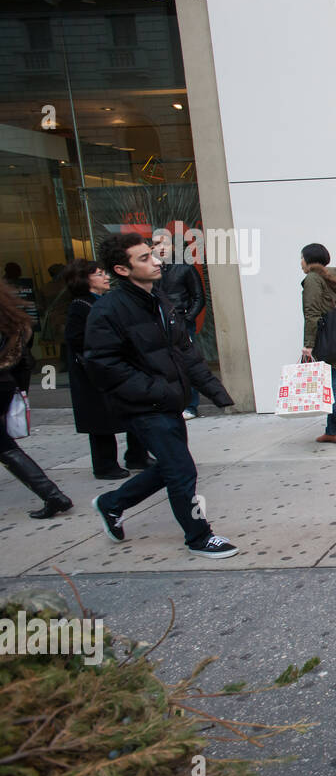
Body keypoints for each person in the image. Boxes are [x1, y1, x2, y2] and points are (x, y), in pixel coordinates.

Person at [85, 232, 239, 558]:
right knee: (182, 470)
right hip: (146, 406)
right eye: (144, 258)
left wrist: (215, 392)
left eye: (153, 255)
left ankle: (112, 503)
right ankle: (199, 537)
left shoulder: (161, 300)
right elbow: (103, 366)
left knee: (171, 467)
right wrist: (157, 391)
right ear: (122, 269)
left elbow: (185, 352)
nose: (156, 261)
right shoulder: (109, 310)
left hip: (168, 401)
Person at [63, 258, 153, 478]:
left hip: (113, 368)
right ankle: (105, 466)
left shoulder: (103, 301)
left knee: (133, 410)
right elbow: (76, 340)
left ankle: (137, 456)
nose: (105, 277)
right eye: (98, 274)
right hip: (94, 374)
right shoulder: (80, 306)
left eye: (104, 272)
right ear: (85, 280)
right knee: (100, 422)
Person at [0, 280, 73, 519]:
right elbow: (24, 360)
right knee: (5, 446)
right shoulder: (12, 319)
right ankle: (53, 496)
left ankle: (53, 495)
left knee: (5, 447)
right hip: (5, 384)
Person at [299, 245, 336, 444]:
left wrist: (308, 344)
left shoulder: (313, 280)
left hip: (326, 340)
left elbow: (312, 313)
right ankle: (332, 430)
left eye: (302, 258)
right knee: (331, 384)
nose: (300, 262)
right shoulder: (333, 277)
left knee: (326, 385)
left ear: (309, 260)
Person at [153, 226, 206, 420]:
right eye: (156, 243)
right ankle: (176, 403)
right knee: (166, 364)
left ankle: (191, 406)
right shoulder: (153, 270)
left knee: (187, 362)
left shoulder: (185, 267)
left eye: (164, 242)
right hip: (160, 324)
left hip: (182, 323)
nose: (160, 247)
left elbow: (199, 297)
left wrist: (186, 319)